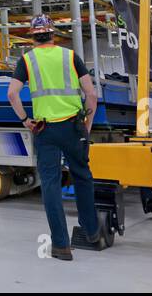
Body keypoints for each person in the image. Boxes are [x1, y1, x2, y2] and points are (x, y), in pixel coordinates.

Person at [7, 14, 106, 261]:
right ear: (53, 35)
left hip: (44, 130)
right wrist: (87, 125)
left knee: (50, 184)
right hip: (73, 128)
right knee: (83, 176)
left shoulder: (27, 60)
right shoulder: (70, 56)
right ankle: (92, 232)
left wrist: (24, 121)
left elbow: (12, 94)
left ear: (33, 36)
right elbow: (91, 95)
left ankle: (61, 246)